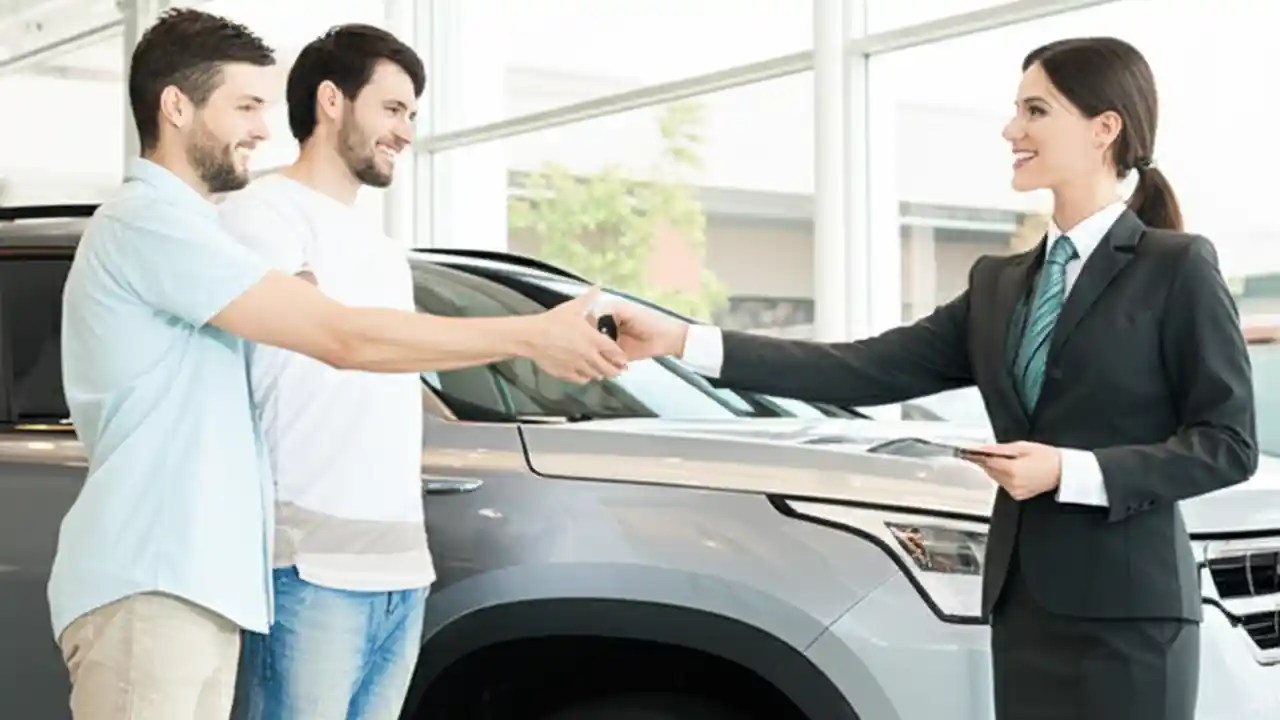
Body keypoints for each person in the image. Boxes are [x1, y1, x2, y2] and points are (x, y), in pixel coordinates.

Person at [610, 36, 1256, 720]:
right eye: (1016, 111)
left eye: (1035, 110)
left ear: (1105, 128)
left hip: (1131, 620)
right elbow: (856, 368)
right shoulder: (999, 285)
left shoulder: (1175, 267)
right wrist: (681, 340)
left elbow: (1226, 444)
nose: (1012, 130)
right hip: (1024, 610)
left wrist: (1069, 471)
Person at [50, 9, 625, 720]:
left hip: (202, 581)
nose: (263, 128)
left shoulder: (200, 230)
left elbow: (342, 338)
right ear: (176, 106)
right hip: (159, 574)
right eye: (246, 105)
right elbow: (341, 339)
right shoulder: (155, 223)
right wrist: (532, 335)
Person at [215, 25, 437, 719]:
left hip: (402, 570)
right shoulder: (258, 213)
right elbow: (340, 343)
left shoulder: (383, 251)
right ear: (332, 101)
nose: (405, 132)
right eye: (393, 109)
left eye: (411, 116)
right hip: (307, 569)